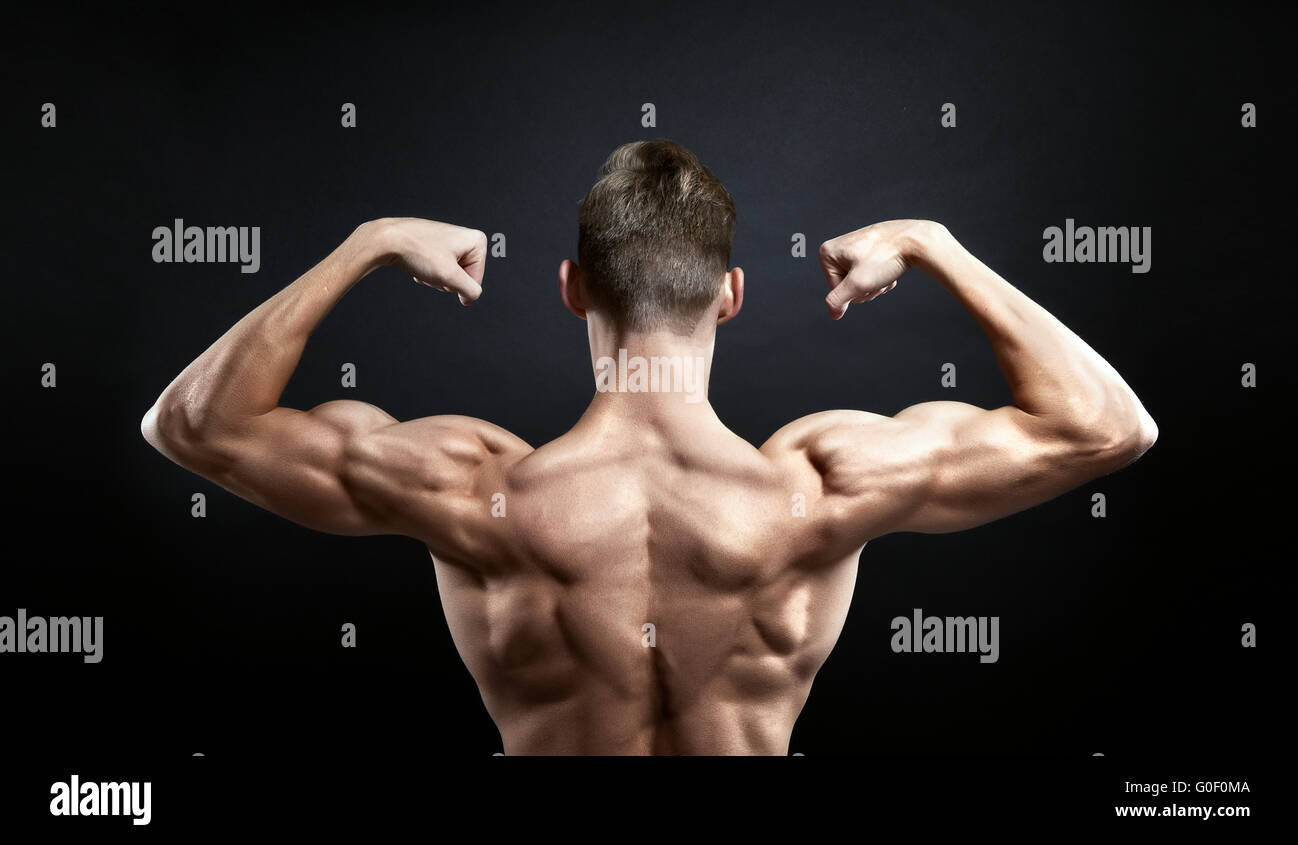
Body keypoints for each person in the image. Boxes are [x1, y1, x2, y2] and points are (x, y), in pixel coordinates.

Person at [141, 140, 1157, 754]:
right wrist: (936, 242)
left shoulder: (470, 484)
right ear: (732, 293)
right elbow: (1107, 425)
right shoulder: (822, 481)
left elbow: (190, 423)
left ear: (571, 287)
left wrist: (363, 242)